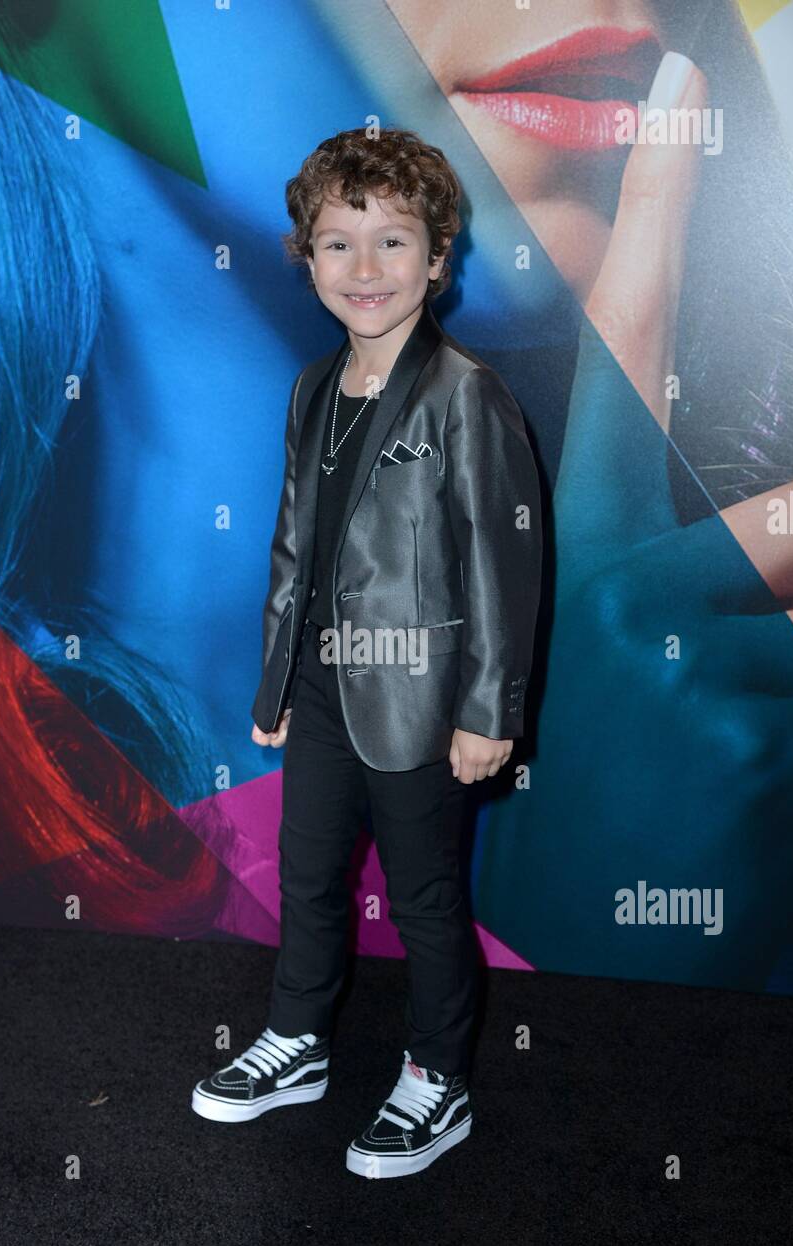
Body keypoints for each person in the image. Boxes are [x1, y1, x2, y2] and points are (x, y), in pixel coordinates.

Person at [192, 127, 543, 1178]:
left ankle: (437, 1079)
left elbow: (503, 562)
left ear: (438, 259)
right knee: (308, 877)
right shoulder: (309, 389)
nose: (365, 269)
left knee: (428, 896)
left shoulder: (466, 394)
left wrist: (491, 709)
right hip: (323, 686)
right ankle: (298, 1041)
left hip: (427, 702)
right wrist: (276, 679)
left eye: (393, 243)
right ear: (306, 261)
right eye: (338, 245)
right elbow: (293, 545)